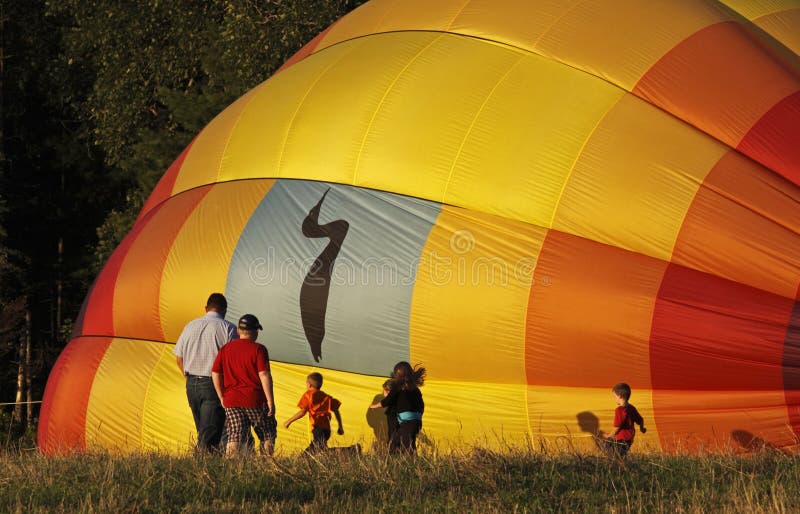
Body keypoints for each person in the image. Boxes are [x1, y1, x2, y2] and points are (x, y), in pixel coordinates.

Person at [173, 292, 236, 453]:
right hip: (213, 384)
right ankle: (202, 465)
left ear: (206, 308)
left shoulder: (190, 326)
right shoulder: (228, 328)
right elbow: (234, 361)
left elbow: (179, 358)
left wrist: (188, 376)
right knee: (210, 434)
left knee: (203, 429)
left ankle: (205, 464)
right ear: (225, 310)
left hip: (191, 383)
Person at [211, 314, 277, 456]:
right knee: (267, 432)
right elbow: (264, 374)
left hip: (231, 400)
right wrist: (270, 401)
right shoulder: (259, 349)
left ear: (238, 331)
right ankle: (268, 464)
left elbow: (215, 373)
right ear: (255, 331)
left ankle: (229, 466)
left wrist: (221, 396)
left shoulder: (225, 349)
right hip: (254, 399)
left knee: (235, 434)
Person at [369, 361, 426, 454]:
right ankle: (403, 460)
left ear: (397, 376)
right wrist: (418, 415)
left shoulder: (397, 388)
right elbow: (421, 405)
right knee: (405, 441)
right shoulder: (415, 390)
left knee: (401, 444)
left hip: (406, 422)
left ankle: (405, 461)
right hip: (416, 422)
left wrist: (374, 406)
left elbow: (387, 401)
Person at [283, 372, 344, 454]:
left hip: (318, 428)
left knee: (308, 455)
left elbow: (303, 412)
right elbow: (336, 411)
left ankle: (351, 450)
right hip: (327, 430)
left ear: (309, 385)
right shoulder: (326, 397)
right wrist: (340, 426)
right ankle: (351, 450)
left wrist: (289, 421)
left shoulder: (308, 395)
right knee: (323, 452)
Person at [603, 382, 646, 458]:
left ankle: (621, 468)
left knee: (612, 453)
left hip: (621, 439)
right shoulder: (631, 408)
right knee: (621, 455)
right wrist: (642, 428)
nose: (614, 399)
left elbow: (617, 427)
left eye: (615, 396)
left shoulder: (619, 410)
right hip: (629, 439)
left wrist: (608, 436)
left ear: (619, 396)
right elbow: (640, 420)